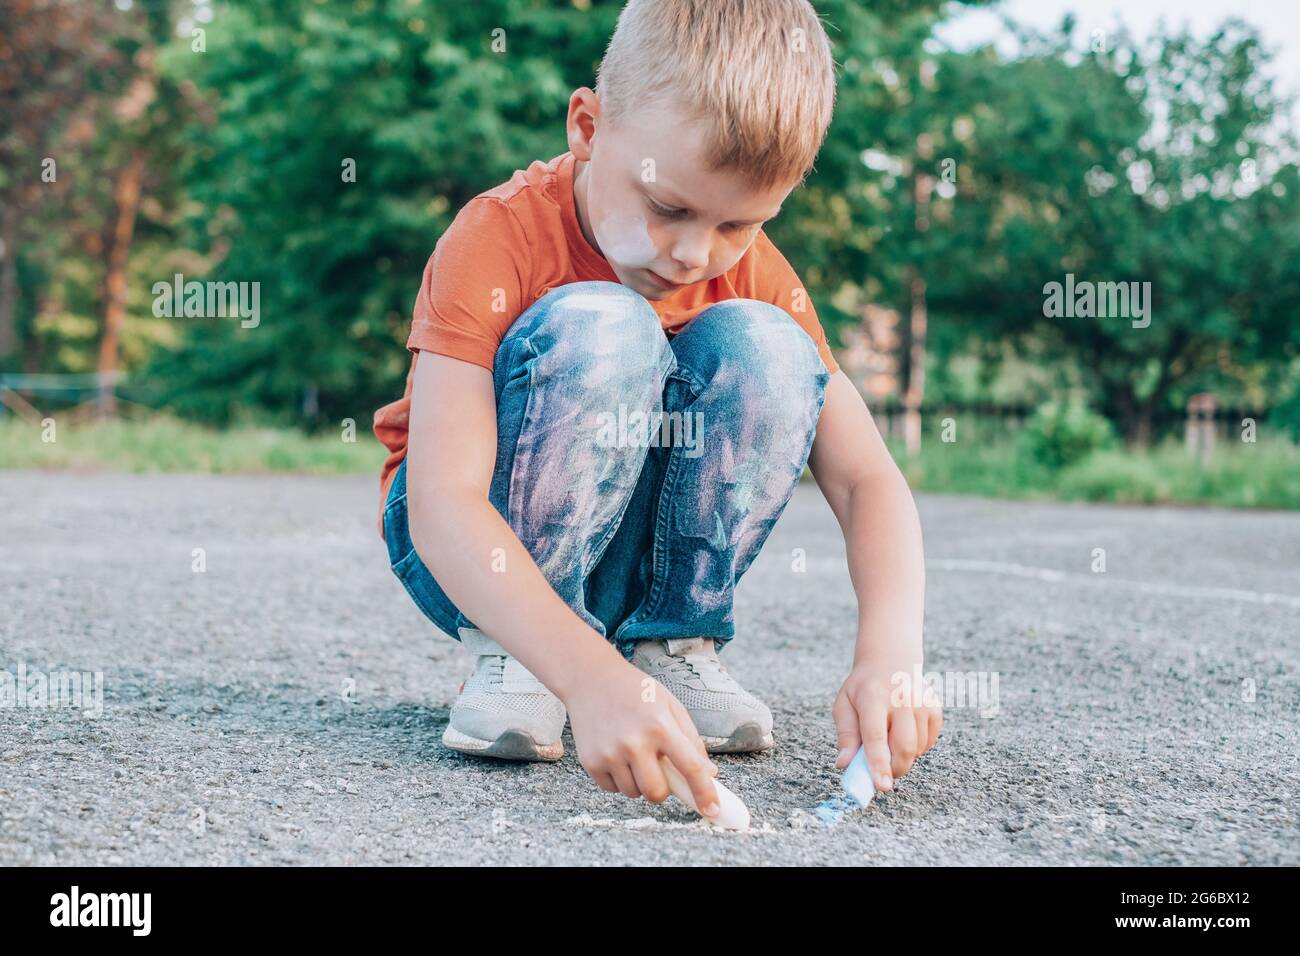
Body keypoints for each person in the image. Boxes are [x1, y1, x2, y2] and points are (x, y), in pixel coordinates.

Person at [372, 0, 940, 817]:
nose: (692, 253)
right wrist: (589, 680)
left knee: (771, 345)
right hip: (472, 549)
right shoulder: (497, 235)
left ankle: (668, 637)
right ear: (588, 128)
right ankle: (526, 657)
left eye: (738, 224)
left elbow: (866, 482)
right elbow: (440, 502)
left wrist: (891, 653)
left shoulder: (748, 268)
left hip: (631, 550)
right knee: (607, 322)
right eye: (668, 207)